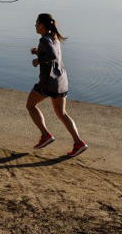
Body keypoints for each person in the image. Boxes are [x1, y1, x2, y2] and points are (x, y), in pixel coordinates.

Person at [26, 13, 87, 157]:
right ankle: (79, 143)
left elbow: (52, 56)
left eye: (36, 23)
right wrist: (38, 52)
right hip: (61, 81)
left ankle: (45, 135)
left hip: (48, 82)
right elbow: (52, 53)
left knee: (30, 105)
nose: (35, 25)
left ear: (41, 25)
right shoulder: (54, 37)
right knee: (61, 113)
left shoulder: (45, 39)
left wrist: (38, 61)